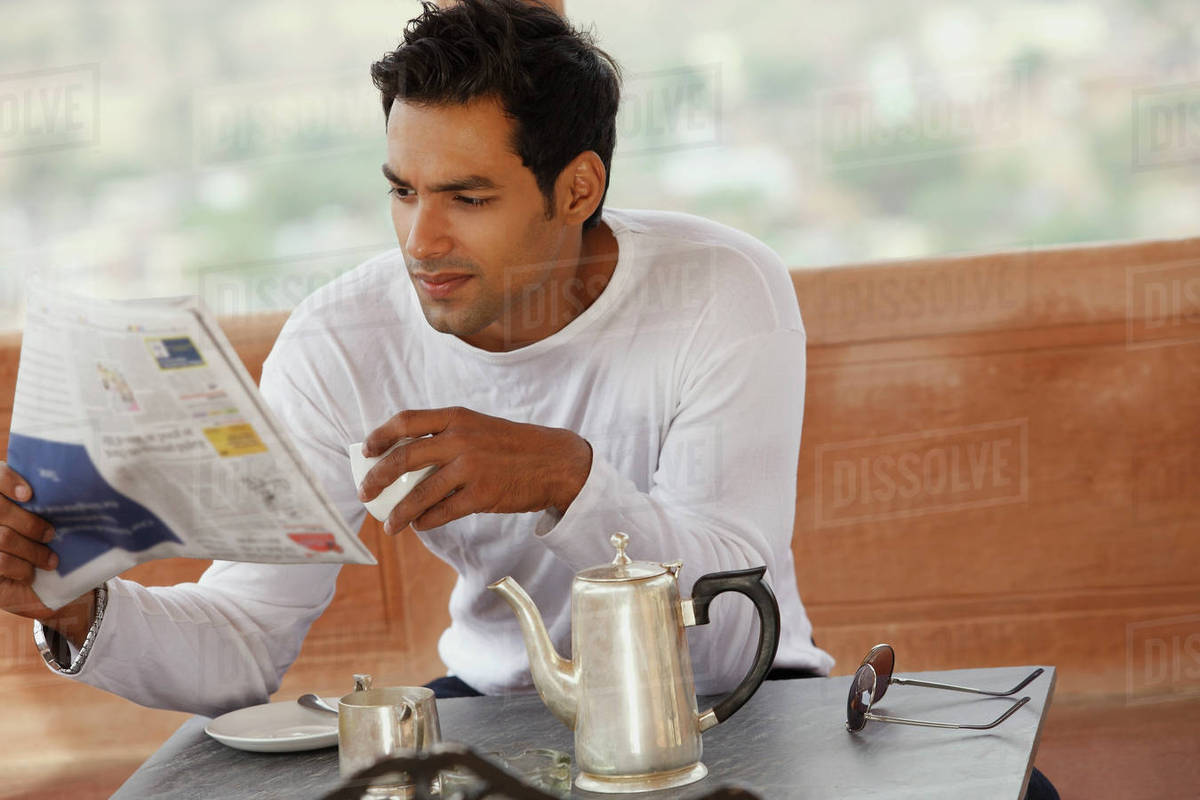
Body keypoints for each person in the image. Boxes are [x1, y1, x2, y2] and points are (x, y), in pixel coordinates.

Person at [0, 0, 836, 713]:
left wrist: (570, 481)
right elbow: (243, 638)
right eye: (403, 191)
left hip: (743, 701)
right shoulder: (339, 344)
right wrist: (79, 606)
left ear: (577, 189)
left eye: (467, 198)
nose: (420, 241)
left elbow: (729, 643)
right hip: (502, 708)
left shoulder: (721, 290)